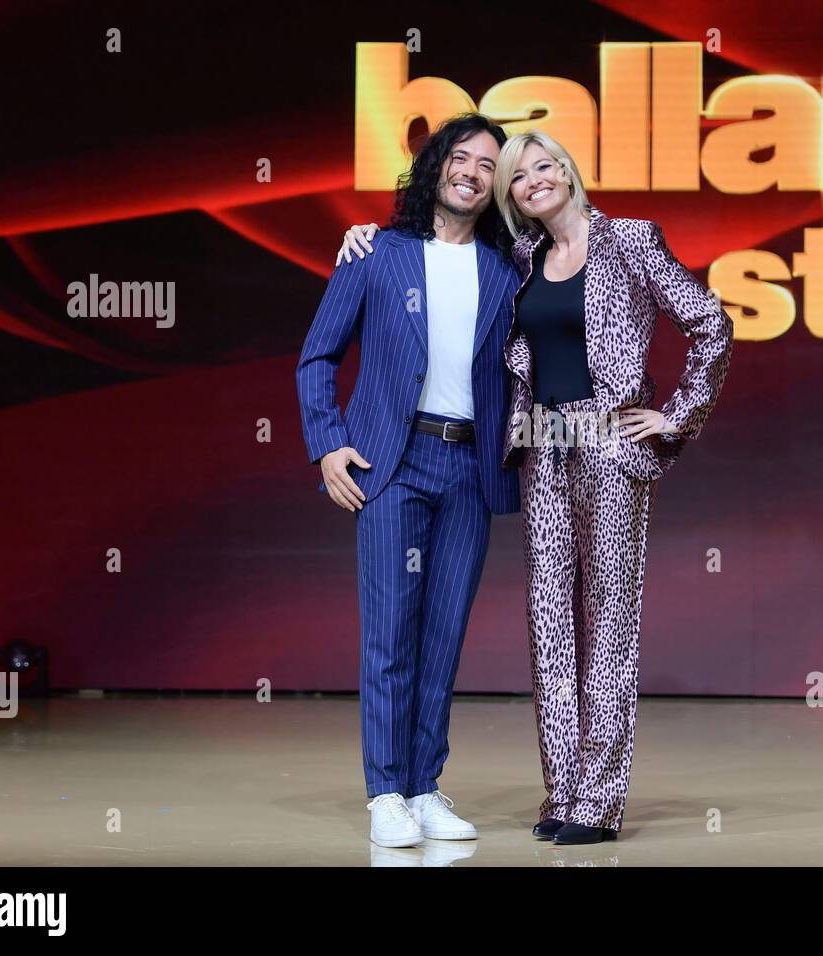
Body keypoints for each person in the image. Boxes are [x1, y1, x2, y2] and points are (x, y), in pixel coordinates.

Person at [336, 129, 732, 845]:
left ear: (569, 172)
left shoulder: (633, 240)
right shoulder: (519, 259)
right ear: (510, 198)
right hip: (541, 449)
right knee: (549, 626)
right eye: (518, 178)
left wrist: (674, 416)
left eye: (544, 167)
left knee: (606, 625)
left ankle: (599, 801)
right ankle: (563, 795)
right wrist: (369, 234)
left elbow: (712, 323)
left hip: (610, 444)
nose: (533, 181)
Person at [296, 113, 520, 849]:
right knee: (390, 634)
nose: (472, 172)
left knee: (444, 635)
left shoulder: (507, 271)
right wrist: (328, 444)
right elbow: (317, 357)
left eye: (489, 165)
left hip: (468, 468)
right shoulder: (375, 254)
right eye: (461, 158)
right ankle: (385, 792)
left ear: (497, 186)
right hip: (392, 466)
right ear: (437, 167)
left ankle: (425, 787)